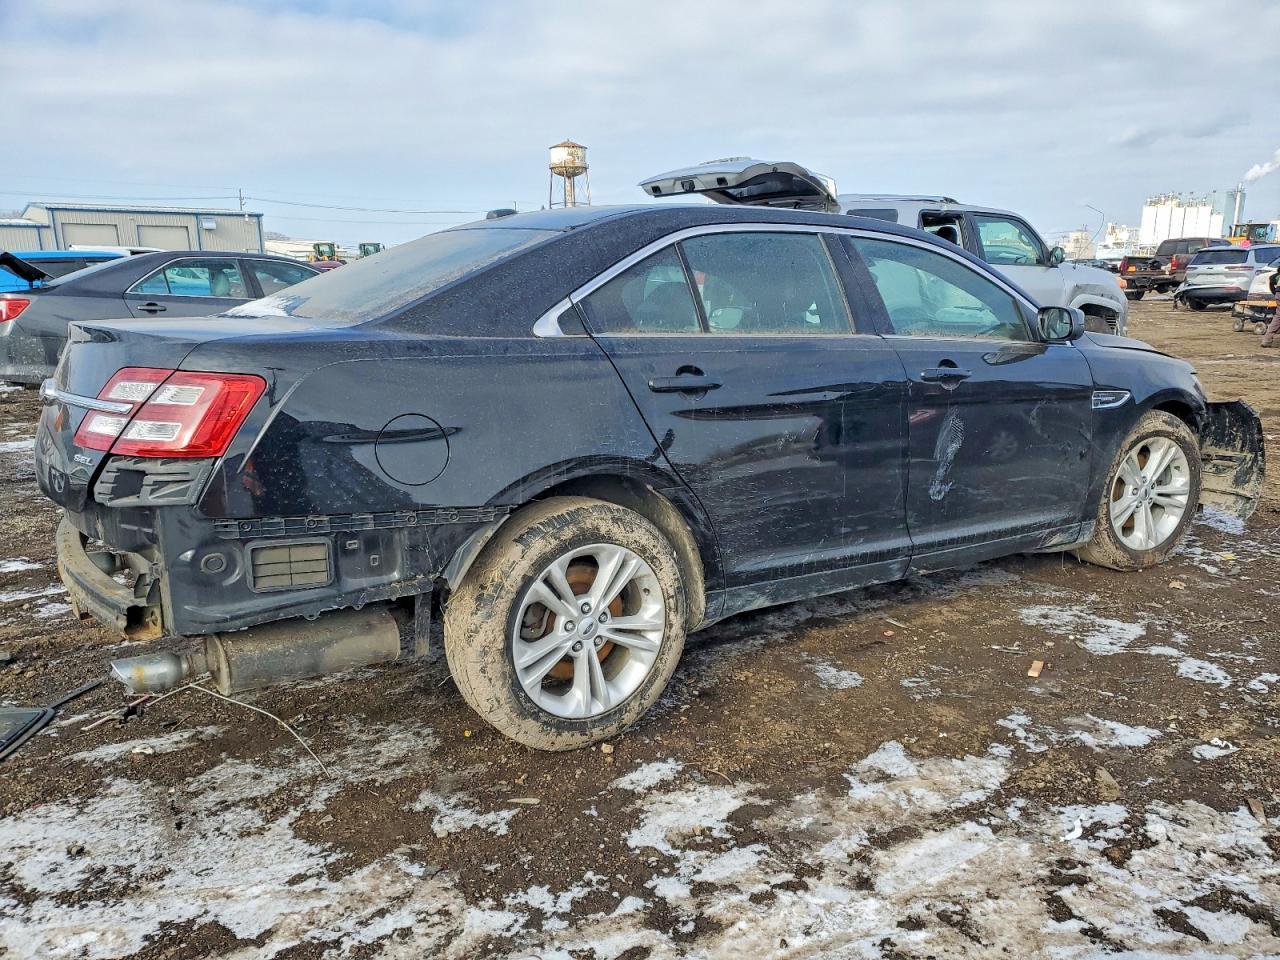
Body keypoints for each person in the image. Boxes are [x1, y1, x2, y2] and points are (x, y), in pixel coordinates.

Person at [1260, 270, 1280, 347]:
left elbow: (1271, 278)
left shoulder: (1277, 276)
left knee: (1278, 317)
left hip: (1278, 294)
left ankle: (1267, 339)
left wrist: (1275, 292)